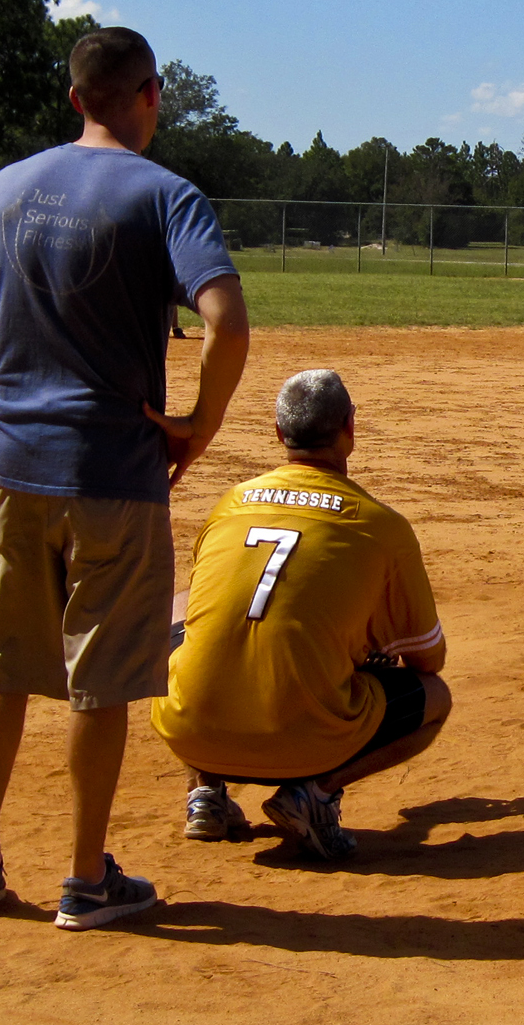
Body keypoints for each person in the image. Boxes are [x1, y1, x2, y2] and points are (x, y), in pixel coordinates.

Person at [0, 26, 252, 932]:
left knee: (6, 666)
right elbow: (226, 320)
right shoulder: (167, 195)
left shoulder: (9, 186)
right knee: (101, 679)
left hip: (16, 467)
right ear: (151, 95)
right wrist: (197, 430)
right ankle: (87, 881)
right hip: (114, 472)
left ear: (73, 98)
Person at [151, 369, 450, 862]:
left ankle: (205, 792)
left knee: (190, 611)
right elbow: (427, 660)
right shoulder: (383, 526)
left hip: (191, 731)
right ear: (350, 429)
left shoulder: (230, 503)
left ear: (278, 433)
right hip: (305, 741)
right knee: (435, 699)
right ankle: (315, 793)